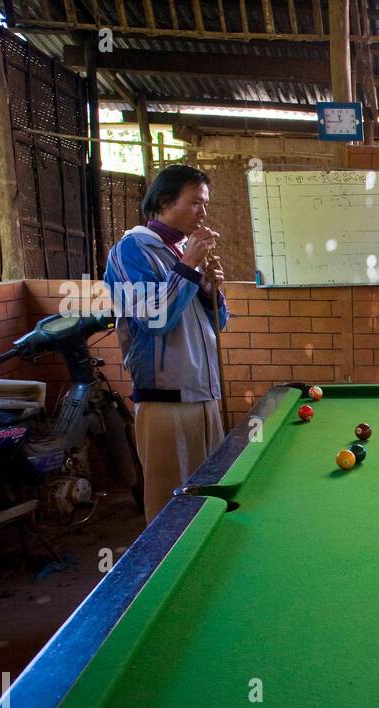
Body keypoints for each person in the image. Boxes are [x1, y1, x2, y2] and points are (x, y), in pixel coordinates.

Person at [105, 164, 229, 522]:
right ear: (163, 201)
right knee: (170, 509)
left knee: (207, 500)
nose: (203, 213)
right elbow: (154, 319)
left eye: (205, 204)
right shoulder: (131, 250)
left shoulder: (180, 253)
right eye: (194, 203)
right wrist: (190, 264)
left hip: (205, 395)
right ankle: (160, 576)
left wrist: (210, 291)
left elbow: (219, 324)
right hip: (166, 401)